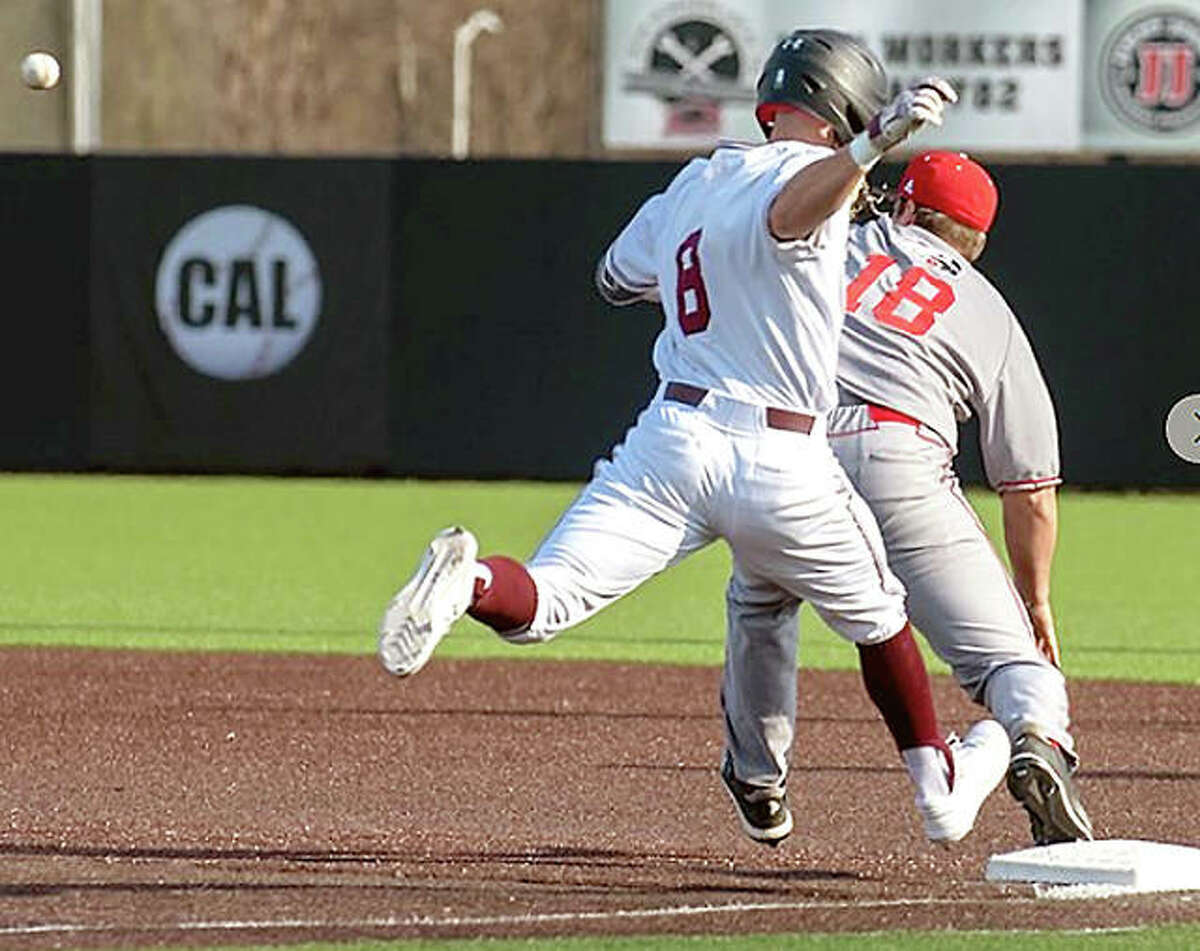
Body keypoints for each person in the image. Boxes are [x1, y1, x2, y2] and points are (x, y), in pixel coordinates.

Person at [377, 31, 1008, 847]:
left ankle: (468, 585)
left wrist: (724, 279)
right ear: (843, 108)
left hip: (671, 438)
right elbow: (790, 212)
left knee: (544, 599)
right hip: (783, 455)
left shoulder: (693, 181)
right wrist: (869, 145)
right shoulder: (810, 172)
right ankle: (935, 781)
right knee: (881, 619)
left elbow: (616, 276)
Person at [823, 151, 1092, 845]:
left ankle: (759, 774)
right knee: (1016, 667)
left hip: (789, 453)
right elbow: (1029, 488)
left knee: (756, 606)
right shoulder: (991, 311)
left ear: (907, 208)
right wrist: (1035, 602)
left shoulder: (837, 247)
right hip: (899, 461)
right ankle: (1037, 738)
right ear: (976, 241)